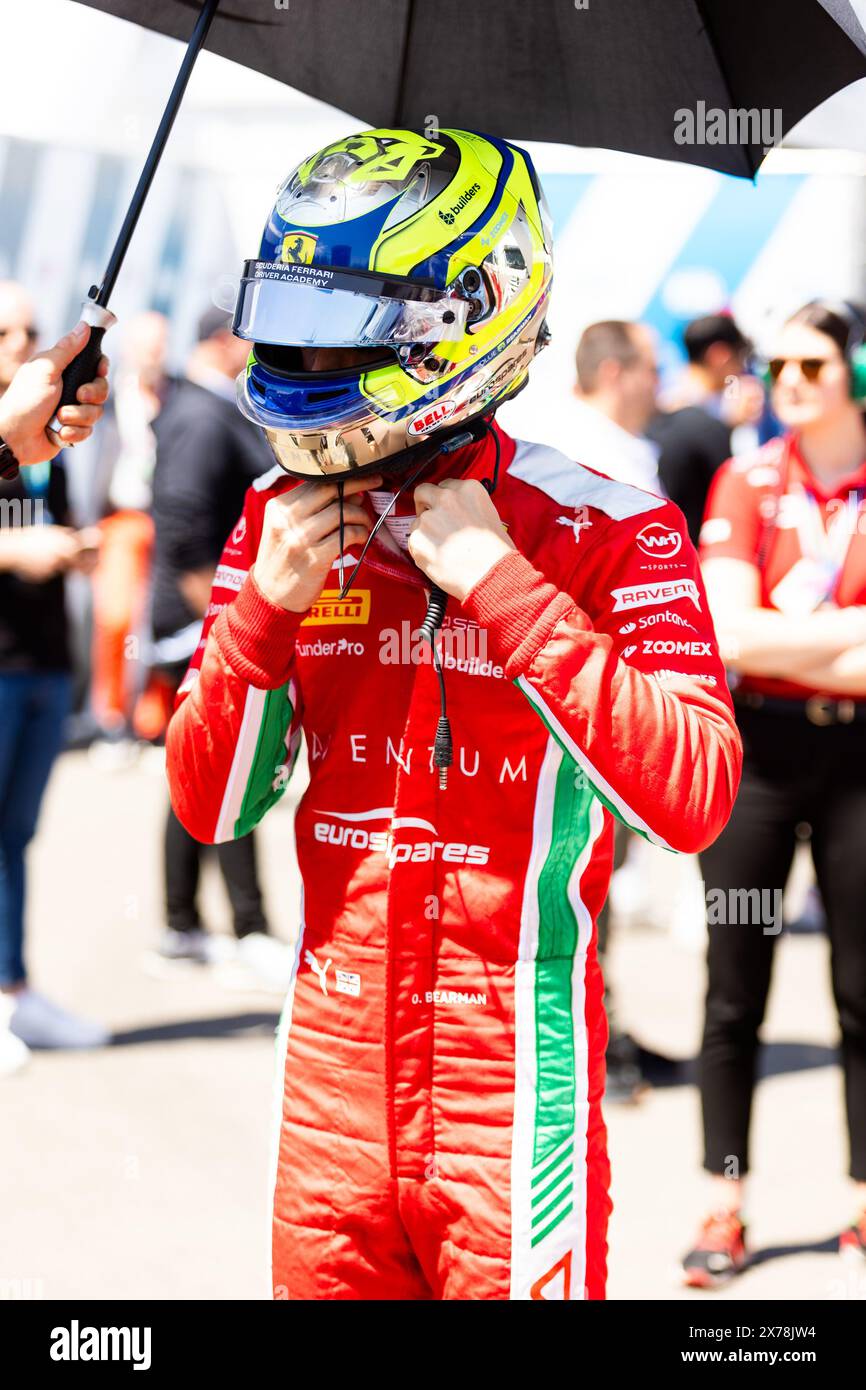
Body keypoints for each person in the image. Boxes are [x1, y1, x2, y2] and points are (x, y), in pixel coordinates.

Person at [166, 128, 741, 1300]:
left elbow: (691, 798)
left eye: (342, 321)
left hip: (511, 1093)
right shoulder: (275, 524)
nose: (302, 351)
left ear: (472, 310)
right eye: (290, 311)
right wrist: (262, 613)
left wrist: (505, 587)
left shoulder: (610, 530)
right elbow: (208, 806)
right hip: (328, 1093)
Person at [684, 299, 866, 1287]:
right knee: (730, 990)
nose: (787, 379)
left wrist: (782, 641)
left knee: (861, 989)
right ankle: (723, 1201)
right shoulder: (743, 476)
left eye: (811, 362)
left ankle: (861, 1203)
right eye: (776, 362)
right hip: (752, 756)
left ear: (854, 371)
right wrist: (847, 638)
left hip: (857, 760)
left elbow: (758, 632)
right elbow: (727, 638)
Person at [150, 307, 287, 988]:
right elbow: (180, 522)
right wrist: (229, 617)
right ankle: (241, 923)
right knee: (228, 762)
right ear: (224, 340)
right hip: (201, 616)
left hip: (211, 609)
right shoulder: (202, 414)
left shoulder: (207, 406)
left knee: (202, 771)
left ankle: (187, 922)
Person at [0, 283, 111, 1075]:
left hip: (44, 660)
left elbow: (55, 520)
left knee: (17, 836)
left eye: (31, 330)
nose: (23, 344)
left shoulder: (43, 430)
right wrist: (16, 554)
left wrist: (76, 547)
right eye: (9, 331)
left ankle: (14, 987)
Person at [648, 313, 763, 544]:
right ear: (719, 355)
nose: (742, 368)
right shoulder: (691, 417)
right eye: (740, 358)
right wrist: (728, 428)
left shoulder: (661, 401)